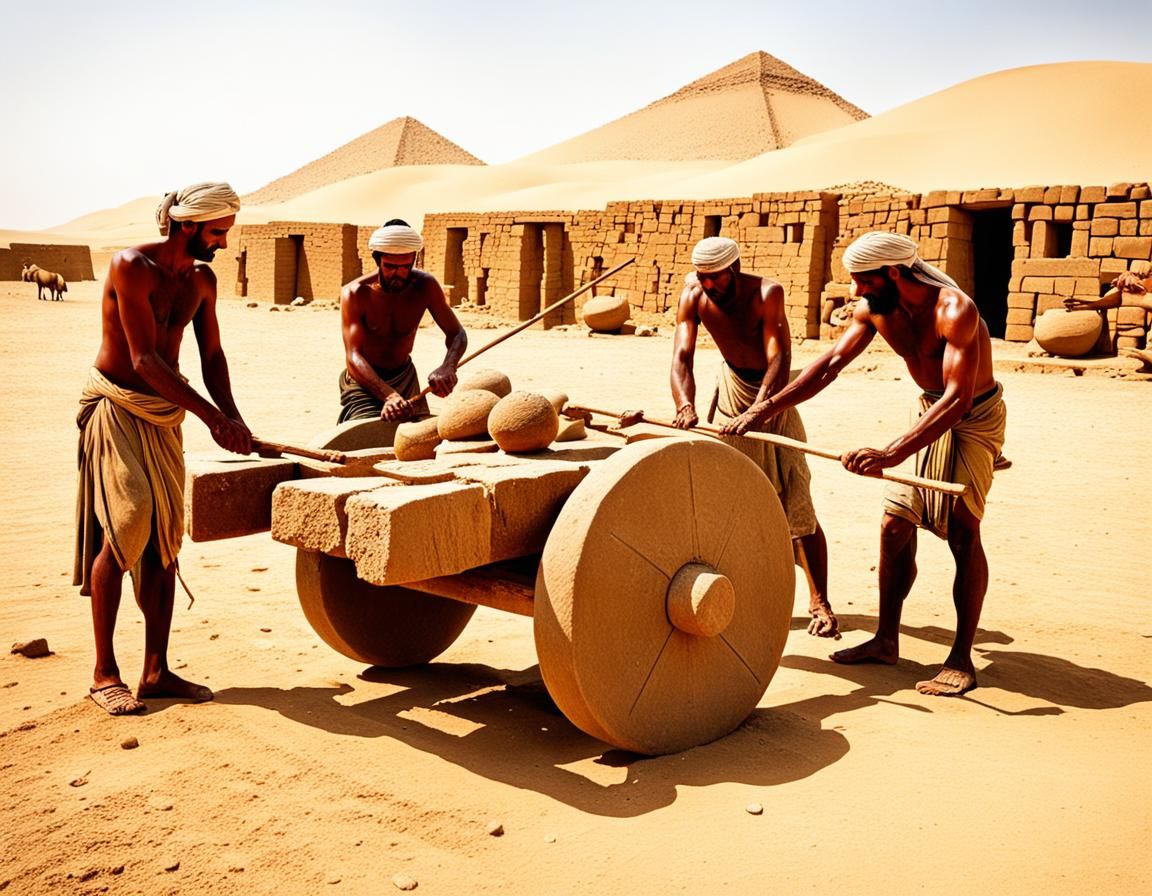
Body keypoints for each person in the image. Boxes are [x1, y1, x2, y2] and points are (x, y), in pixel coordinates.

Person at [721, 231, 1007, 697]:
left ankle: (960, 656)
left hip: (974, 416)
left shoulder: (956, 310)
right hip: (928, 408)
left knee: (962, 530)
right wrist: (765, 408)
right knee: (895, 526)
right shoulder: (874, 308)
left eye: (863, 280)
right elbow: (830, 363)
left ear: (893, 273)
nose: (855, 290)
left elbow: (958, 399)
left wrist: (891, 453)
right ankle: (886, 639)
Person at [74, 182, 253, 716]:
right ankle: (104, 673)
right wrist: (212, 418)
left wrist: (235, 418)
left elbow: (212, 355)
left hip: (165, 414)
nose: (223, 243)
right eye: (217, 232)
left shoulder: (202, 280)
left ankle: (156, 671)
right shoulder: (131, 266)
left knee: (165, 536)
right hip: (118, 405)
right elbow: (144, 360)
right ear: (187, 225)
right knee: (128, 522)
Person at [671, 236, 837, 637]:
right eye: (702, 276)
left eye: (715, 277)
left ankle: (820, 601)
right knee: (732, 497)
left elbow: (780, 356)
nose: (708, 284)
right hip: (731, 392)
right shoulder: (693, 295)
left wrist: (761, 409)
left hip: (773, 397)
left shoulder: (767, 293)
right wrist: (685, 405)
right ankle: (733, 595)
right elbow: (681, 358)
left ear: (735, 268)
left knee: (796, 499)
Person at [338, 220, 466, 422]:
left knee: (417, 437)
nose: (398, 273)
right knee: (364, 434)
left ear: (414, 260)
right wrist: (389, 395)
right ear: (377, 259)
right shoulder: (356, 293)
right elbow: (353, 356)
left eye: (405, 266)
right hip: (365, 382)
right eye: (390, 266)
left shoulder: (425, 286)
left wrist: (448, 366)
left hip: (405, 378)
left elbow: (457, 333)